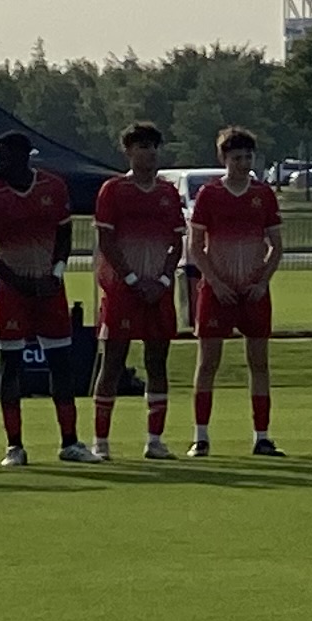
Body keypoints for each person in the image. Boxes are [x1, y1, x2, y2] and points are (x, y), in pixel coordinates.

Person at [0, 134, 81, 467]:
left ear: (22, 158)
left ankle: (70, 442)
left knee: (60, 365)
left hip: (50, 288)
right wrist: (14, 279)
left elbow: (64, 234)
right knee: (10, 366)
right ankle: (14, 446)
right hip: (12, 292)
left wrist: (56, 273)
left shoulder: (52, 186)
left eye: (1, 158)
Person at [89, 123, 188, 461]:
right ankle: (100, 443)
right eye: (142, 147)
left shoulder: (168, 192)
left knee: (157, 362)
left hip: (158, 291)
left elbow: (176, 243)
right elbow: (107, 241)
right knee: (113, 361)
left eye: (153, 147)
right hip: (122, 291)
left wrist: (162, 280)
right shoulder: (113, 190)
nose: (150, 153)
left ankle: (155, 440)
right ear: (128, 151)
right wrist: (132, 279)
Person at [188, 125, 286, 456]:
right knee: (207, 364)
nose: (243, 163)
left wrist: (262, 282)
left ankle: (262, 436)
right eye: (236, 157)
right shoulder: (209, 195)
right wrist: (215, 282)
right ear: (223, 159)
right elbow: (196, 247)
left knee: (259, 364)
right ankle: (200, 437)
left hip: (253, 293)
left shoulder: (263, 195)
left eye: (248, 157)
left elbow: (277, 245)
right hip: (218, 292)